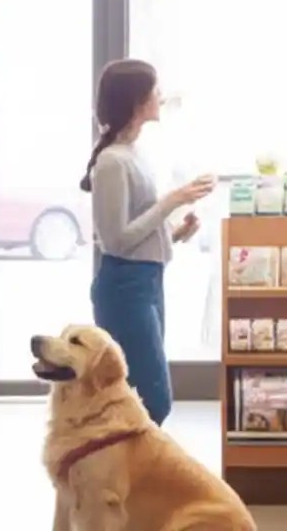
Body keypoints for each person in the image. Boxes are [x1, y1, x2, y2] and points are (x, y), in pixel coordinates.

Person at [79, 59, 214, 426]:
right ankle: (127, 472)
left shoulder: (136, 154)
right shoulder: (111, 163)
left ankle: (133, 474)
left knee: (142, 394)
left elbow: (137, 235)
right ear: (137, 102)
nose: (161, 97)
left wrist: (176, 231)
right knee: (152, 398)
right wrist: (172, 200)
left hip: (147, 281)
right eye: (155, 91)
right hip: (124, 287)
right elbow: (117, 241)